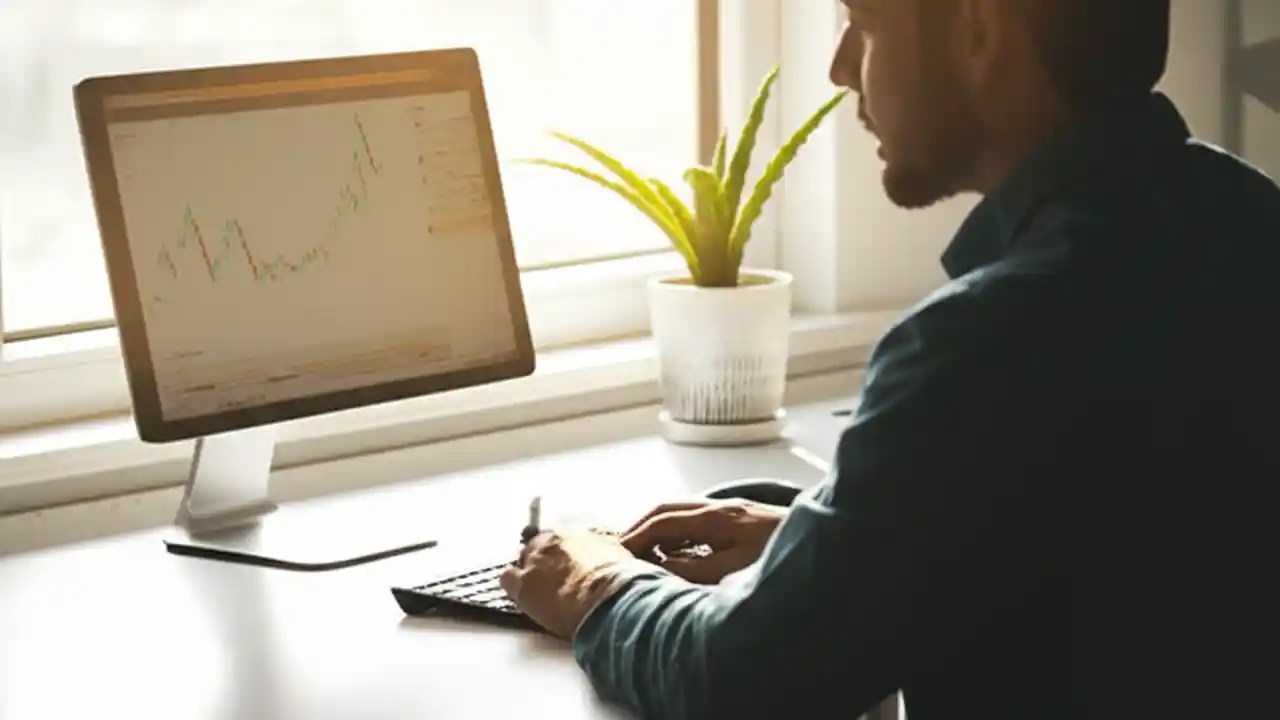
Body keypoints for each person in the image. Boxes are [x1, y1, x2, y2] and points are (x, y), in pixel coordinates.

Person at [499, 0, 1280, 717]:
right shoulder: (1248, 221)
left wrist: (594, 581)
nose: (841, 67)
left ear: (978, 31)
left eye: (863, 22)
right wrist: (854, 555)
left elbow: (739, 681)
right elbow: (1142, 568)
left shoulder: (984, 339)